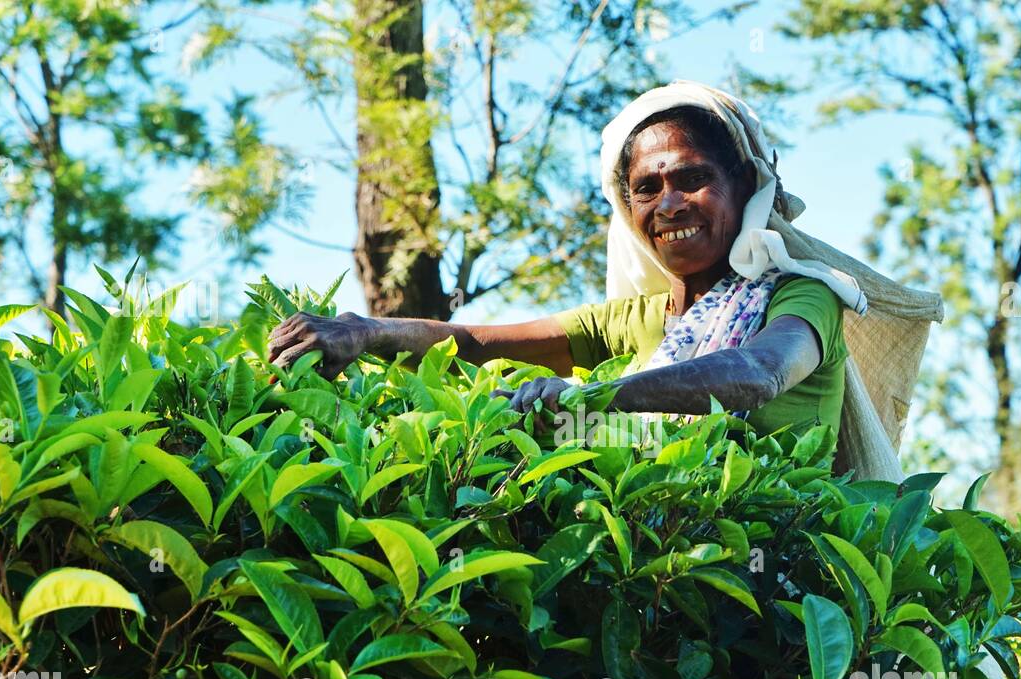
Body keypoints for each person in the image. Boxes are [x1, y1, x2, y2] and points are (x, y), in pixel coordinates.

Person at [267, 89, 867, 449]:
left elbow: (760, 372)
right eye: (646, 188)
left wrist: (591, 400)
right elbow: (472, 342)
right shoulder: (635, 320)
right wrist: (367, 331)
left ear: (745, 185)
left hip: (777, 604)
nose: (669, 204)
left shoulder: (801, 298)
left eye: (693, 179)